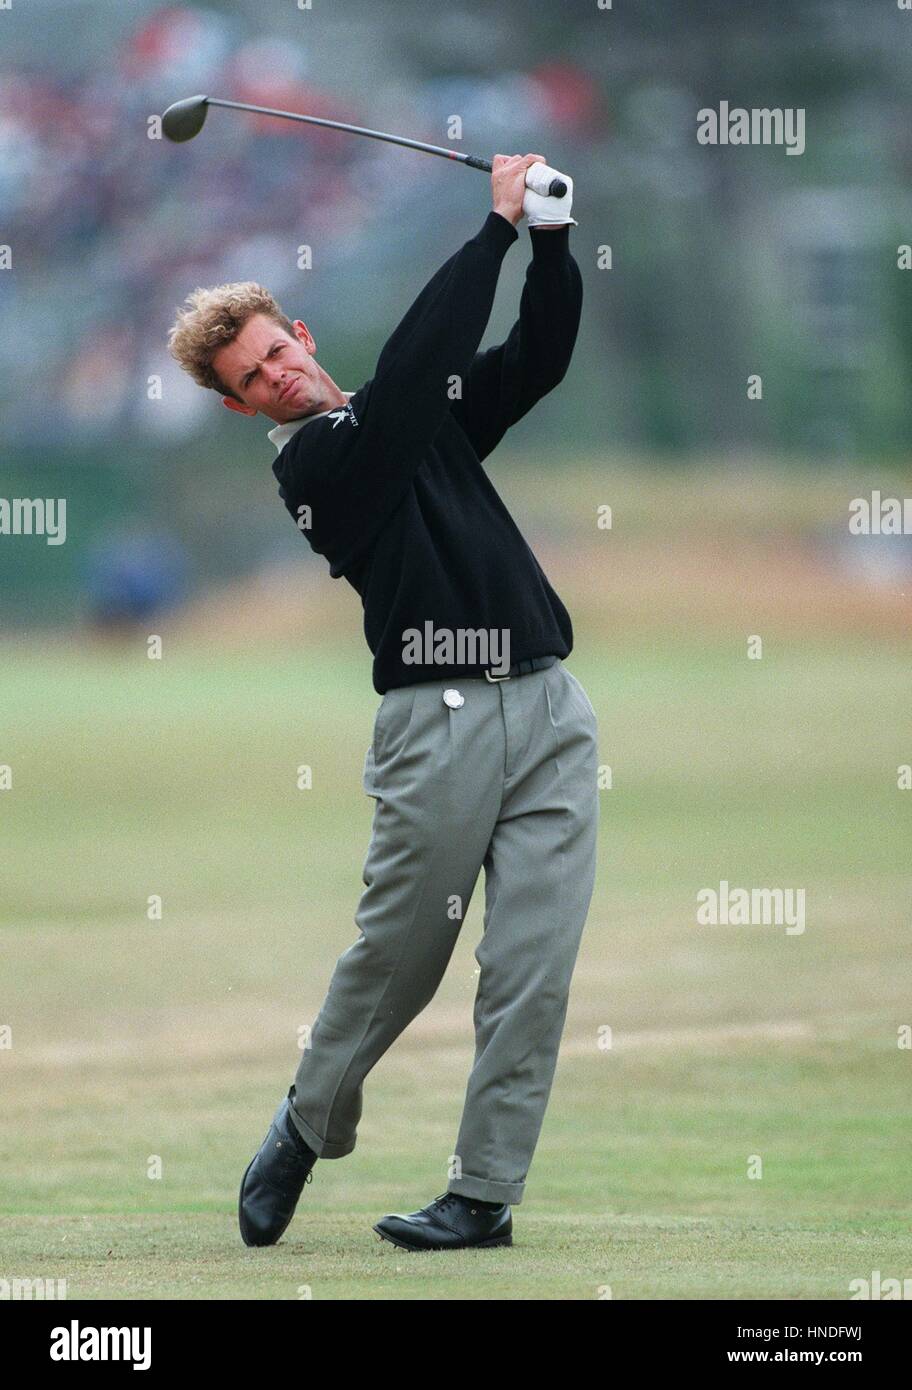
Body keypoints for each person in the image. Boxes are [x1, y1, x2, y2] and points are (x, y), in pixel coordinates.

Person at [168, 153, 598, 1252]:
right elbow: (414, 378)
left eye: (276, 352)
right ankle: (305, 1127)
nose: (277, 377)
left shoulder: (414, 414)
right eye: (252, 379)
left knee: (532, 973)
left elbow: (536, 359)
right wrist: (490, 232)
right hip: (436, 726)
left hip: (550, 711)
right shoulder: (317, 468)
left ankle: (483, 1195)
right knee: (397, 962)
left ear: (301, 336)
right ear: (237, 405)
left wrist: (549, 238)